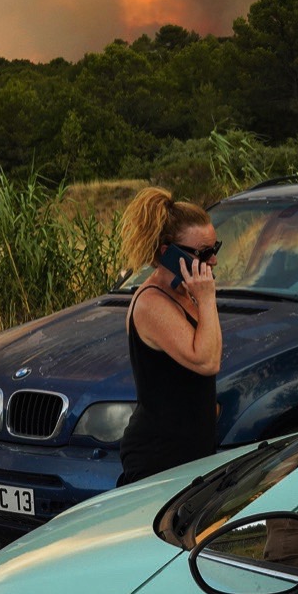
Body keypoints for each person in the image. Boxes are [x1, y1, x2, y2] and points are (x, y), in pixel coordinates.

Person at [115, 187, 223, 486]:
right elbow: (207, 360)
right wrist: (207, 298)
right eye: (204, 253)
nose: (212, 261)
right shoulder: (151, 303)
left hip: (190, 451)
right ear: (168, 253)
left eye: (216, 249)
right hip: (158, 457)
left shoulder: (184, 292)